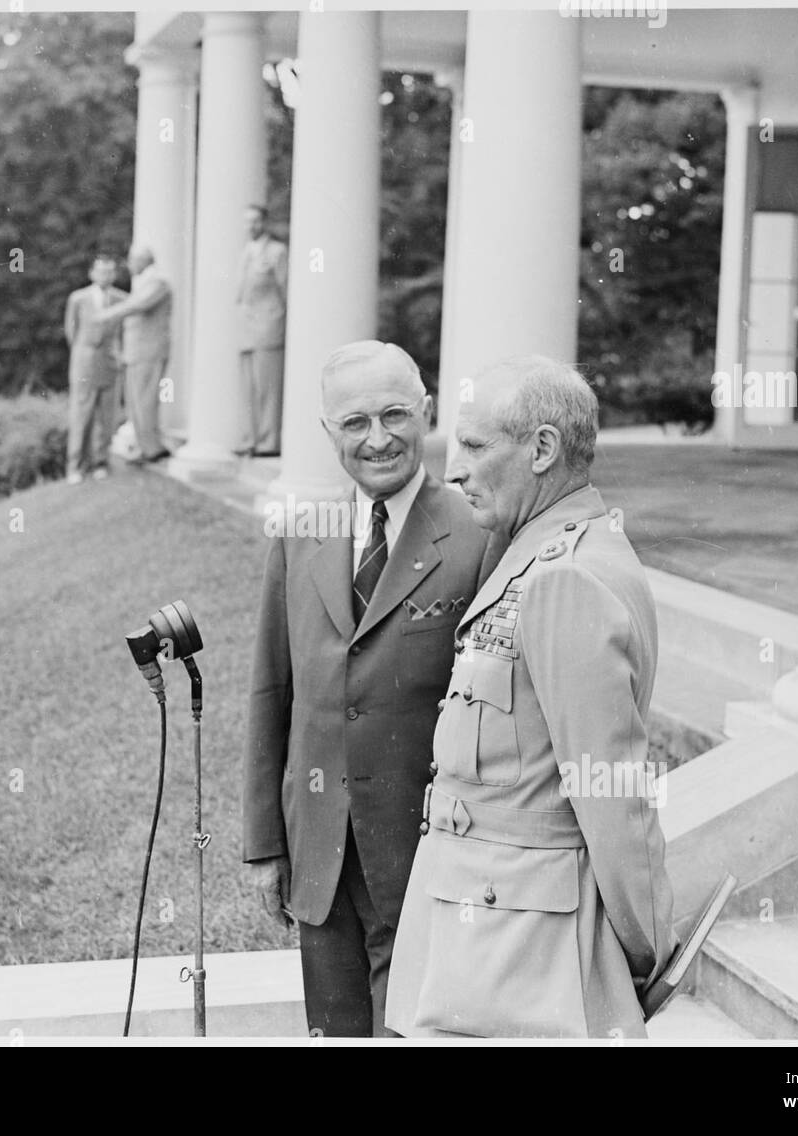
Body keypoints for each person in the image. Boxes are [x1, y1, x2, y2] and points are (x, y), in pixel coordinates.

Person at [385, 355, 677, 1039]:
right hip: (483, 928)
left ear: (543, 449)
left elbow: (612, 796)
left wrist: (640, 948)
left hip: (524, 958)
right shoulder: (538, 552)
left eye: (477, 446)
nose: (454, 469)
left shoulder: (568, 577)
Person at [242, 340, 499, 1037]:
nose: (378, 439)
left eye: (395, 415)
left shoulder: (479, 535)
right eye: (355, 423)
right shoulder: (299, 532)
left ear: (427, 413)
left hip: (429, 856)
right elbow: (272, 695)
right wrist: (266, 843)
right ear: (329, 433)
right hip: (321, 856)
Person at [101, 244, 172, 465]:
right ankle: (145, 446)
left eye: (132, 259)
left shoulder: (157, 282)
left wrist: (106, 315)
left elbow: (137, 305)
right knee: (137, 401)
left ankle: (152, 448)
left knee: (146, 399)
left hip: (148, 350)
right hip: (137, 351)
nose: (129, 264)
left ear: (144, 261)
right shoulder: (144, 281)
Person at [63, 255, 128, 483]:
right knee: (82, 414)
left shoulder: (122, 298)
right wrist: (83, 352)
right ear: (92, 273)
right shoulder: (78, 298)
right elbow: (71, 331)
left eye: (110, 272)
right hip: (84, 361)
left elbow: (124, 331)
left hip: (109, 361)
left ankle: (101, 462)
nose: (105, 276)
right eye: (101, 271)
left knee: (106, 415)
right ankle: (75, 466)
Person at [235, 204, 288, 457]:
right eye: (247, 222)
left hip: (268, 328)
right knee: (248, 389)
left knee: (268, 389)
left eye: (256, 221)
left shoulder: (277, 252)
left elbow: (285, 289)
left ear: (265, 223)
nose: (251, 227)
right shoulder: (245, 251)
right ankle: (250, 440)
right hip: (246, 329)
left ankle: (268, 442)